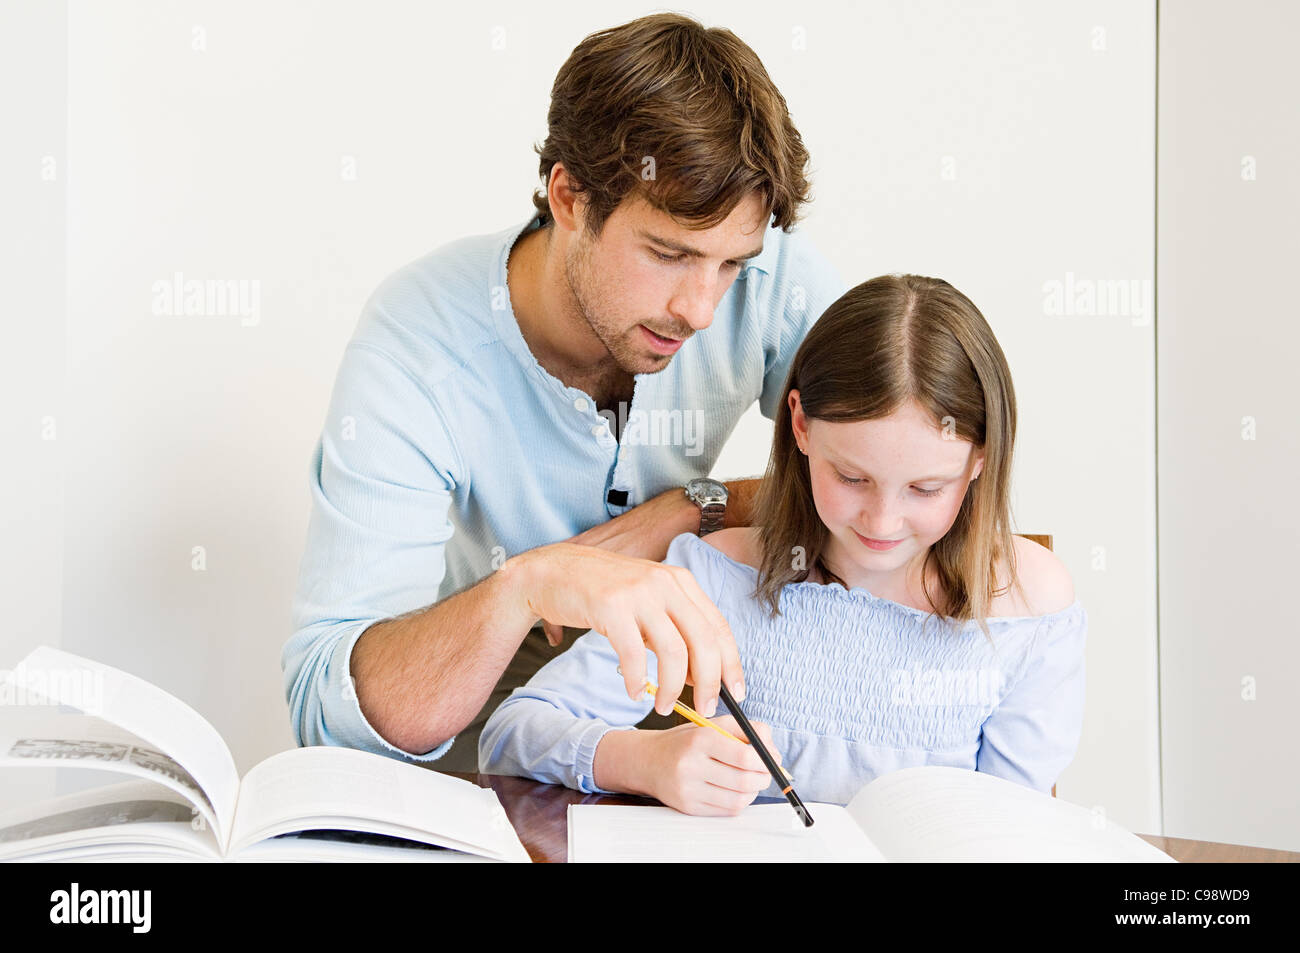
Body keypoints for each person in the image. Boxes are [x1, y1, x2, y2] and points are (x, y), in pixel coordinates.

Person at [282, 13, 848, 772]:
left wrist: (693, 507)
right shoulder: (418, 342)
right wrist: (531, 584)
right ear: (570, 199)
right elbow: (329, 713)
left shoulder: (775, 279)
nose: (702, 309)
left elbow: (895, 491)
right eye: (669, 253)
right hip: (488, 699)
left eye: (730, 265)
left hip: (699, 690)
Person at [479, 274, 1087, 812]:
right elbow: (510, 734)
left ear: (980, 458)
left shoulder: (1029, 606)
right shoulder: (714, 577)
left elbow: (1018, 827)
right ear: (799, 424)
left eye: (926, 489)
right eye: (851, 478)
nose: (882, 521)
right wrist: (647, 761)